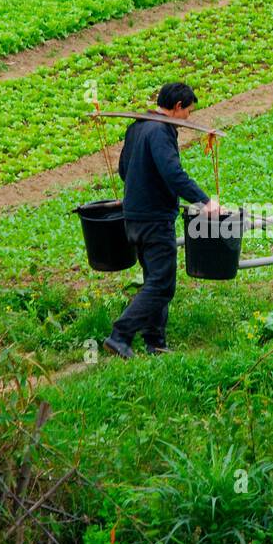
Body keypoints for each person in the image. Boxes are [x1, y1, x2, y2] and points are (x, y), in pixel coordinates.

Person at [104, 82, 221, 358]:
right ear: (177, 107)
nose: (188, 119)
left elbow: (124, 170)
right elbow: (173, 173)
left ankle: (155, 342)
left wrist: (145, 188)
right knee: (163, 284)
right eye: (188, 111)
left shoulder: (138, 125)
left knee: (154, 279)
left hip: (134, 218)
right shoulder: (160, 130)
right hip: (154, 220)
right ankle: (120, 335)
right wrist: (205, 201)